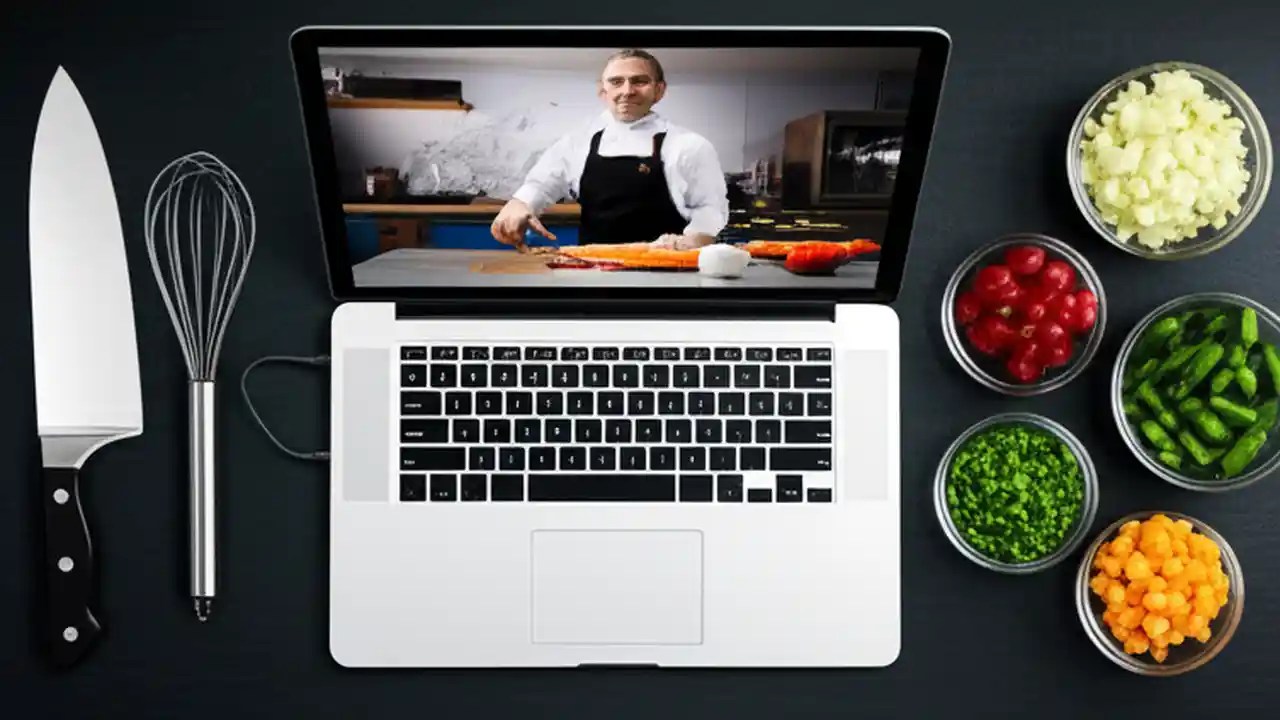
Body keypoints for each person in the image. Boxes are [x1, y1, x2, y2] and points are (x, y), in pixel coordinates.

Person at [490, 49, 729, 250]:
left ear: (659, 90)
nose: (627, 91)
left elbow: (710, 207)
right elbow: (541, 184)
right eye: (616, 82)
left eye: (640, 81)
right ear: (603, 91)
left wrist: (698, 237)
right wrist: (520, 204)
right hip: (591, 273)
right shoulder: (577, 143)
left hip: (667, 273)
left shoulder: (689, 145)